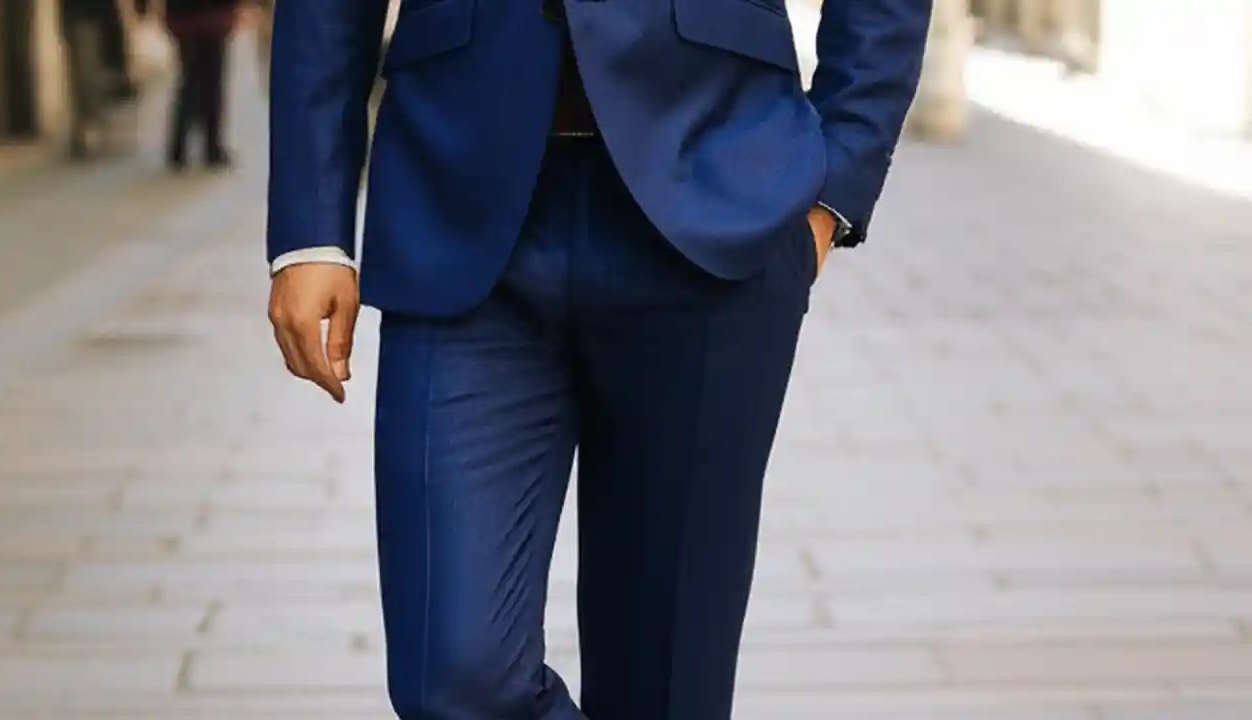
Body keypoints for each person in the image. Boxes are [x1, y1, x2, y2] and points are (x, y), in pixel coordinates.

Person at [266, 0, 931, 717]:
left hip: (715, 195)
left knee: (667, 688)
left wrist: (835, 188)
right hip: (455, 196)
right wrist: (311, 227)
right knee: (454, 676)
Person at [159, 0, 239, 169]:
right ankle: (210, 147)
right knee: (211, 83)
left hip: (184, 18)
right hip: (211, 17)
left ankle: (179, 147)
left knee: (191, 81)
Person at [59, 0, 135, 158]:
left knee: (89, 79)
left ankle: (90, 130)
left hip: (96, 19)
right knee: (85, 80)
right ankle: (86, 132)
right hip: (82, 18)